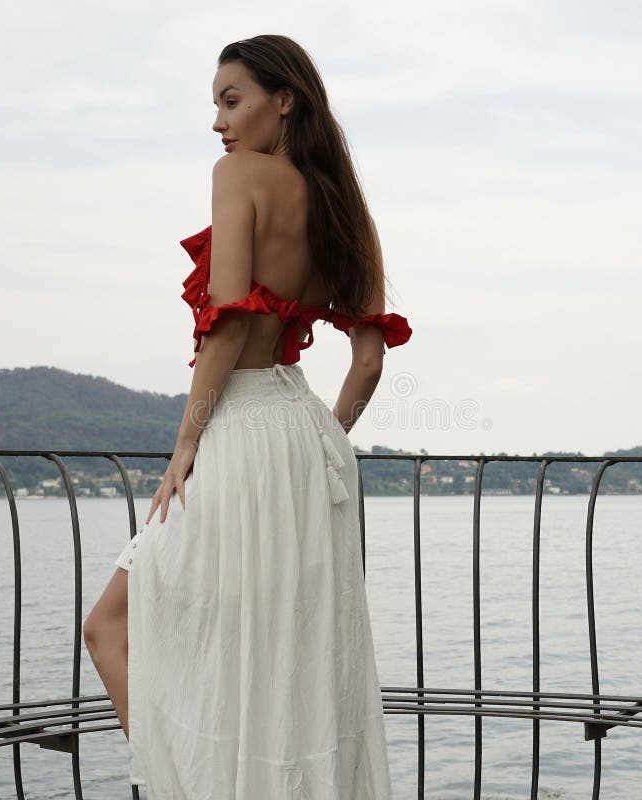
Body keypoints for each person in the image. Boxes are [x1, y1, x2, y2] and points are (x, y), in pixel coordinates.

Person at [83, 34, 412, 799]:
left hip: (236, 429)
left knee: (112, 628)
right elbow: (367, 361)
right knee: (284, 665)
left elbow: (227, 326)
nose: (219, 124)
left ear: (284, 98)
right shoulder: (345, 206)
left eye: (232, 101)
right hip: (306, 440)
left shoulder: (238, 176)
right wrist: (324, 440)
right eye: (216, 107)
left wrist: (185, 443)